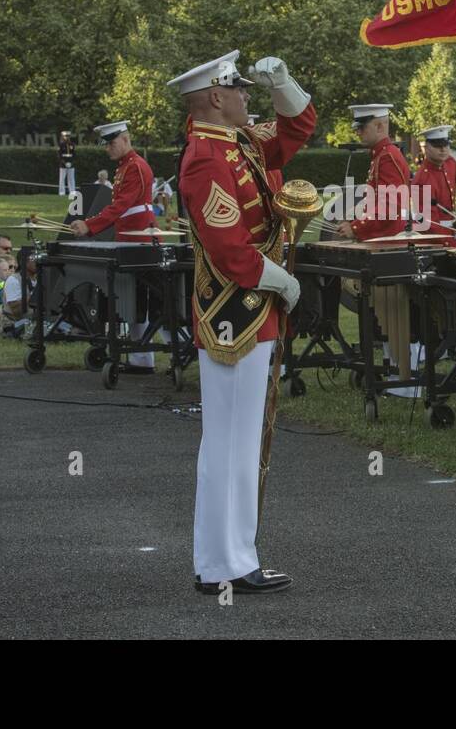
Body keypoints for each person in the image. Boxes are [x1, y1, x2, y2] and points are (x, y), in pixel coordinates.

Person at [171, 49, 315, 596]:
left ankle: (228, 558)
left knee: (237, 439)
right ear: (214, 96)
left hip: (252, 310)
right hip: (235, 312)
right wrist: (280, 280)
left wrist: (285, 81)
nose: (246, 95)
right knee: (230, 442)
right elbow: (230, 249)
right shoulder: (205, 157)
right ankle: (226, 561)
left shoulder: (240, 143)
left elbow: (299, 127)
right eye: (240, 87)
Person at [69, 120, 157, 370]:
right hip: (128, 237)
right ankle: (140, 359)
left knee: (143, 301)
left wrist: (90, 225)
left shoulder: (136, 166)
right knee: (134, 300)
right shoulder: (124, 167)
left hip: (139, 239)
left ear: (126, 139)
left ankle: (143, 357)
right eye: (106, 144)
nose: (107, 148)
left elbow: (122, 206)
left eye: (111, 143)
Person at [336, 105, 409, 241]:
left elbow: (389, 207)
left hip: (386, 244)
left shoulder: (387, 157)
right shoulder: (381, 155)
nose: (357, 132)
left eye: (362, 127)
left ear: (379, 127)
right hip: (380, 241)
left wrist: (356, 228)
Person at [57, 131, 77, 197]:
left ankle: (72, 192)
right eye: (65, 136)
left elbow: (74, 155)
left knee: (71, 179)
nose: (67, 137)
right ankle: (62, 192)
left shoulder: (72, 144)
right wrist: (65, 163)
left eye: (68, 136)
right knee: (62, 179)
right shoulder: (61, 145)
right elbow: (60, 155)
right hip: (63, 164)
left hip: (71, 163)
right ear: (63, 137)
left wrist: (71, 163)